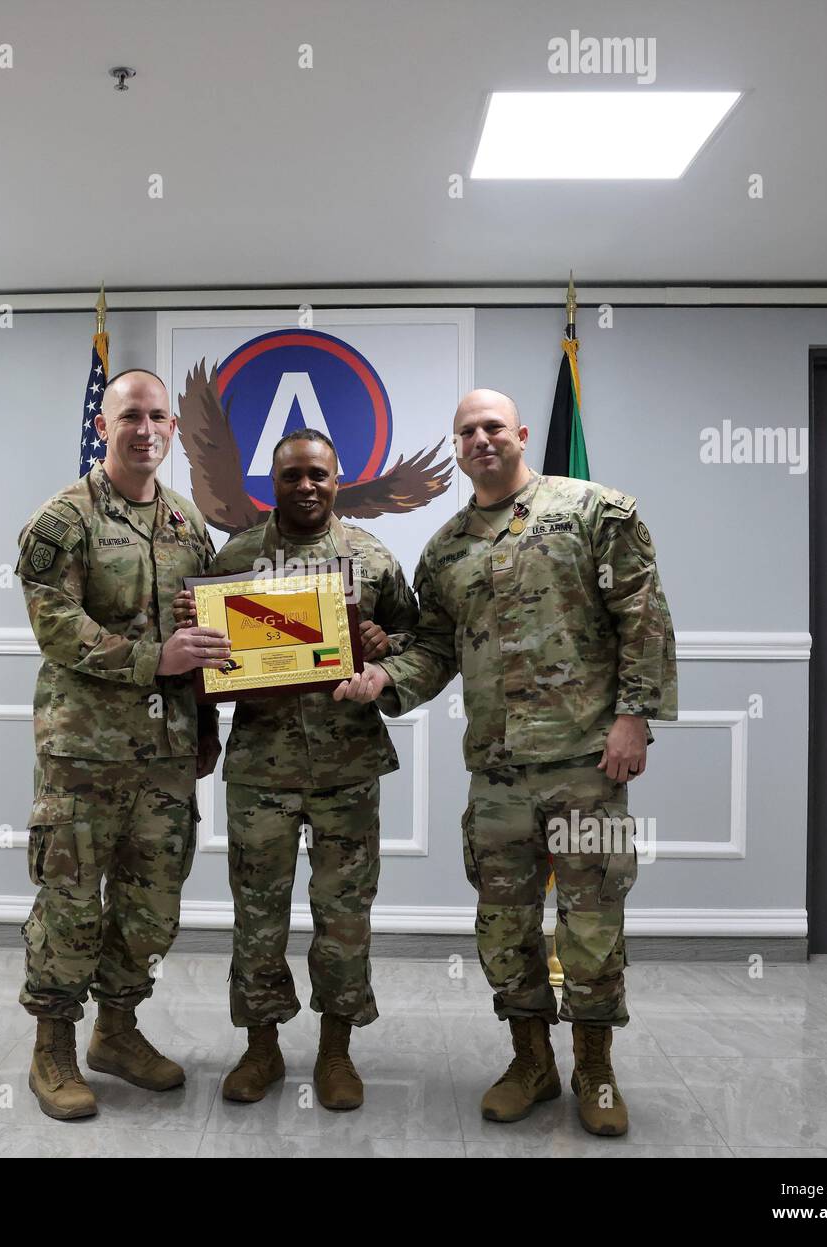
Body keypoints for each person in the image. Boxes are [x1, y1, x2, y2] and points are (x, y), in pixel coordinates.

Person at [335, 389, 676, 1136]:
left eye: (494, 427)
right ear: (456, 447)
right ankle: (531, 1061)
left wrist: (633, 719)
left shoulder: (595, 512)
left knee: (591, 922)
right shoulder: (447, 548)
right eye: (467, 432)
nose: (482, 439)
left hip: (589, 765)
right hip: (497, 774)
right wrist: (384, 680)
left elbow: (642, 616)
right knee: (503, 924)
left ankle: (595, 1068)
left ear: (520, 434)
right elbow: (431, 650)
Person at [173, 429, 418, 1110]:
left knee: (344, 916)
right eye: (292, 476)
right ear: (271, 483)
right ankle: (262, 1048)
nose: (306, 486)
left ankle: (336, 1050)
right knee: (257, 916)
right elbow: (203, 660)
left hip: (348, 767)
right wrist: (194, 628)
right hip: (262, 768)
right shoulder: (238, 558)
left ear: (337, 480)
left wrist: (383, 644)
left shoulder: (369, 557)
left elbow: (420, 640)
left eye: (318, 474)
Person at [15, 368, 232, 1121]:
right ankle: (52, 1047)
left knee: (151, 906)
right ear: (104, 426)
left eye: (159, 418)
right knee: (70, 904)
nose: (146, 429)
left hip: (167, 755)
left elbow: (205, 637)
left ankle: (118, 1028)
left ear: (174, 431)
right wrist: (151, 659)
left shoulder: (187, 525)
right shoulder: (63, 519)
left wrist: (205, 726)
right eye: (131, 415)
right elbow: (56, 626)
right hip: (84, 755)